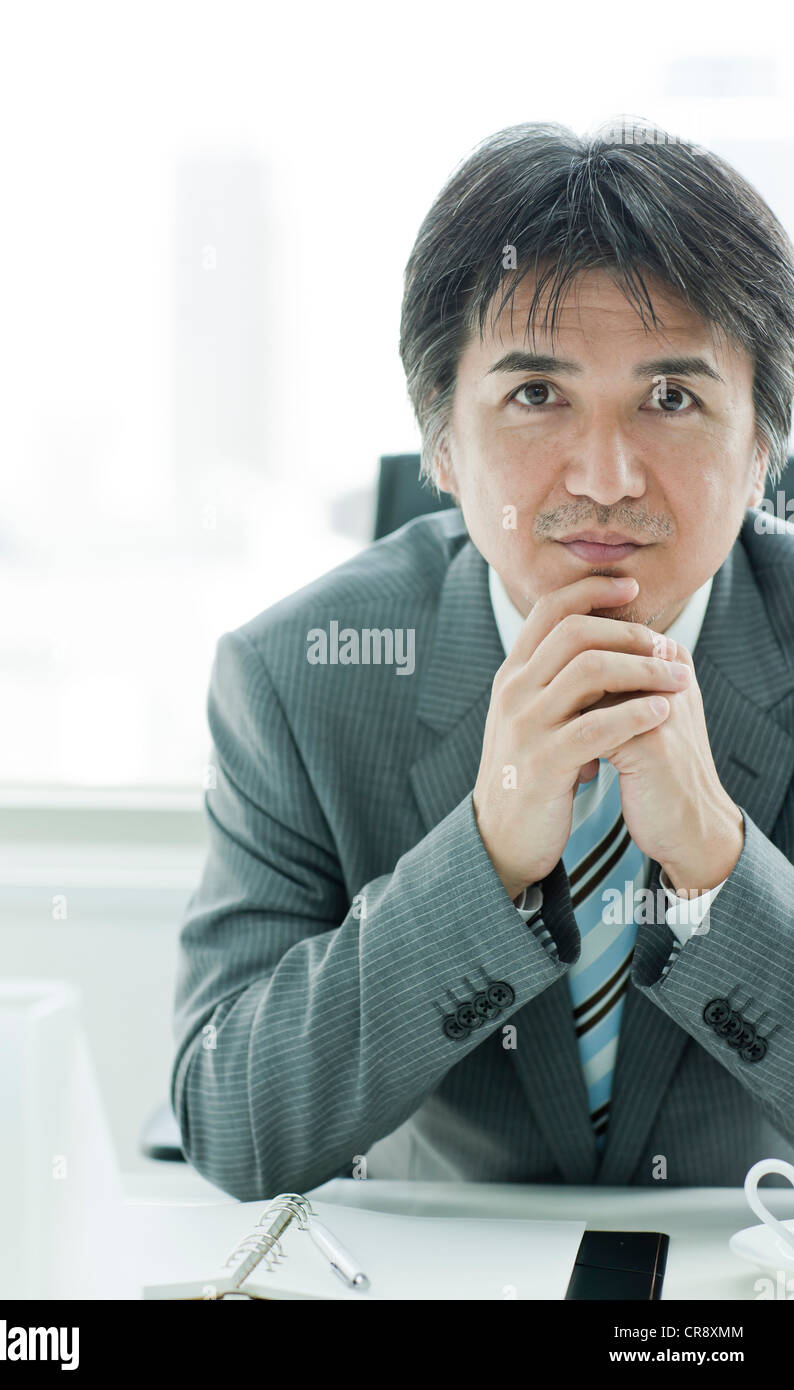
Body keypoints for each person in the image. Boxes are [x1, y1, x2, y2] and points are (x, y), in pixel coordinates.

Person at [170, 119, 794, 1199]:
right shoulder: (297, 679)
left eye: (670, 398)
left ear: (762, 452)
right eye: (536, 395)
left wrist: (718, 862)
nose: (604, 477)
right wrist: (485, 855)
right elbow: (233, 1126)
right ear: (442, 445)